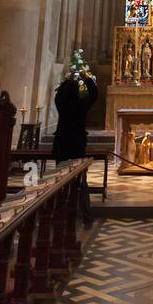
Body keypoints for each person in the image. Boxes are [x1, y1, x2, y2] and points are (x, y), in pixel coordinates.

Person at [51, 51, 98, 219]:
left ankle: (59, 210)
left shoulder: (61, 104)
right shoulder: (81, 105)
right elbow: (94, 93)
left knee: (60, 176)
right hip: (77, 142)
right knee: (80, 178)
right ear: (77, 92)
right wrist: (85, 77)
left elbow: (58, 95)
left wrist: (69, 80)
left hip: (62, 142)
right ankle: (85, 212)